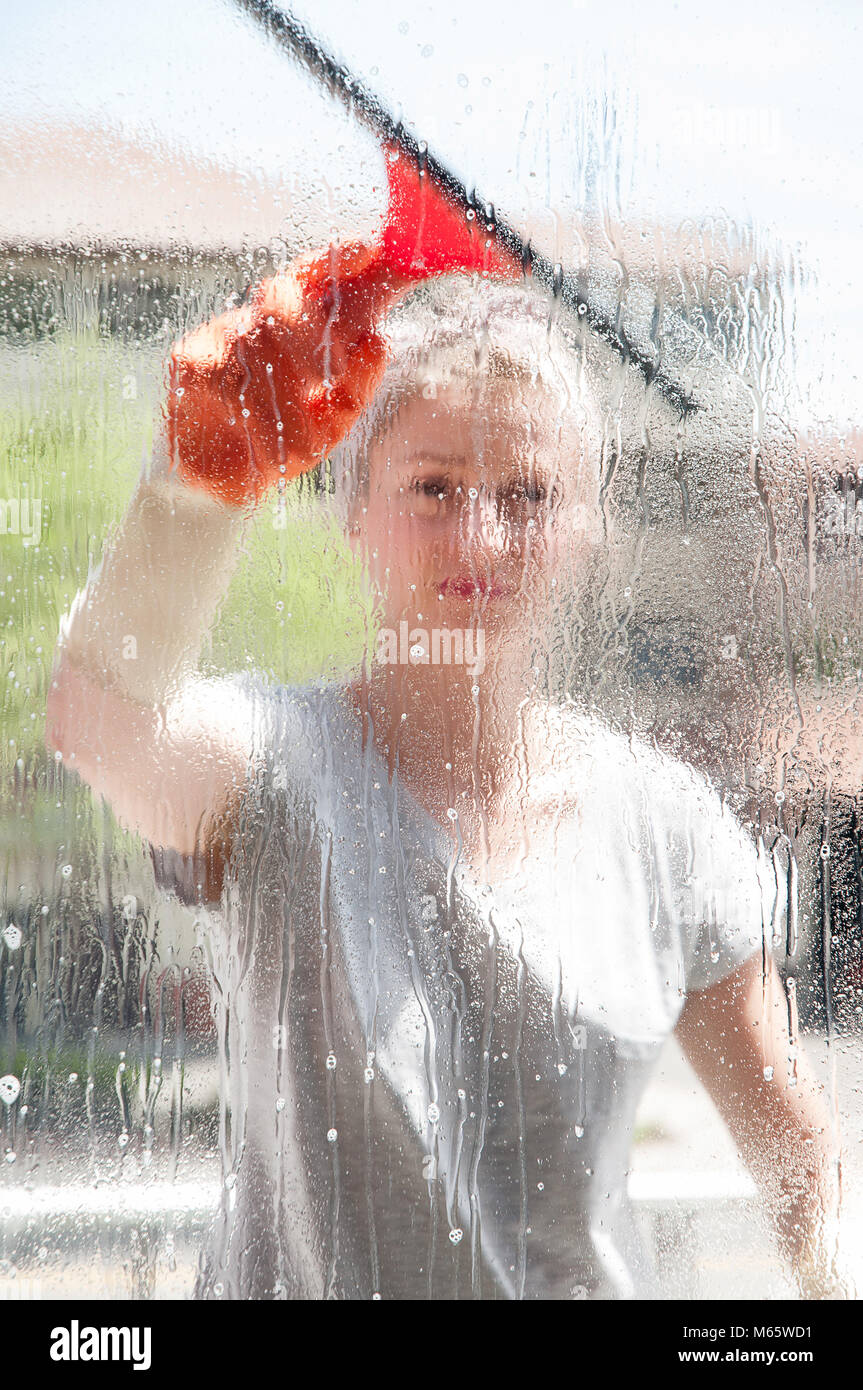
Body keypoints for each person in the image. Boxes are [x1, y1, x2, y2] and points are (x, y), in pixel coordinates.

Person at [45, 238, 849, 1300]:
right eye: (432, 487)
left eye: (527, 494)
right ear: (352, 509)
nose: (480, 533)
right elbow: (99, 723)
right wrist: (194, 488)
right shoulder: (274, 767)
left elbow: (796, 1156)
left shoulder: (661, 823)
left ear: (587, 529)